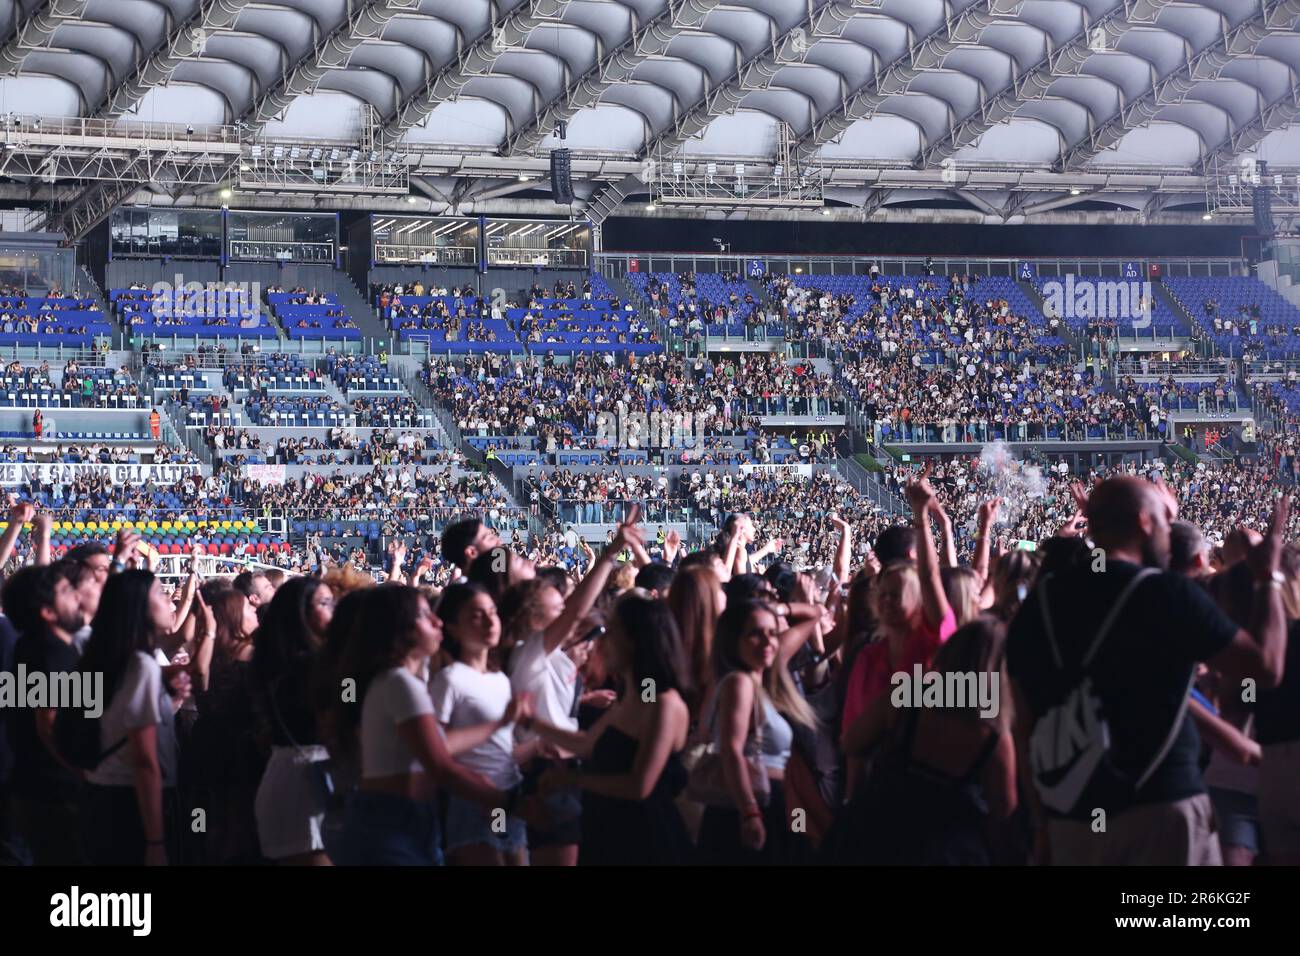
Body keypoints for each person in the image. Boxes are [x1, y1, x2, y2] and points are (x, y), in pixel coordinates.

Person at [1007, 477, 1290, 866]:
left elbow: (1024, 723)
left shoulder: (1038, 604)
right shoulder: (1164, 594)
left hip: (1073, 817)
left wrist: (1042, 822)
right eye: (1162, 523)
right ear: (1144, 523)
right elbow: (1265, 669)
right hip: (1163, 809)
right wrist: (1267, 579)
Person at [333, 586, 516, 865]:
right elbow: (441, 766)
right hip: (391, 821)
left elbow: (438, 747)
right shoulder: (400, 683)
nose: (438, 621)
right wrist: (507, 802)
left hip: (402, 817)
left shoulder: (403, 680)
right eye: (425, 615)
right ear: (400, 627)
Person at [830, 616, 1017, 864]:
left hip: (878, 832)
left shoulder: (907, 697)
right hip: (944, 851)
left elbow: (850, 742)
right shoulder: (993, 736)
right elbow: (1003, 814)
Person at [525, 591, 694, 865]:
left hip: (643, 838)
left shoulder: (664, 704)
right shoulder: (633, 697)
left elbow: (640, 785)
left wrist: (571, 780)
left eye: (611, 632)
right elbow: (586, 743)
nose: (602, 644)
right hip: (607, 829)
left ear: (633, 641)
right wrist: (531, 722)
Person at [77, 570, 189, 865]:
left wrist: (171, 704)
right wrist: (155, 841)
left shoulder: (115, 657)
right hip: (133, 804)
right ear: (138, 607)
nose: (169, 601)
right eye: (160, 594)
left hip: (105, 799)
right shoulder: (141, 665)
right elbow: (143, 760)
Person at [696, 598, 818, 865]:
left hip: (767, 803)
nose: (768, 642)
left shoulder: (757, 679)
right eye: (754, 634)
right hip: (751, 803)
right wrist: (749, 813)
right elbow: (731, 750)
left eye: (773, 633)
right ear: (733, 640)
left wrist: (780, 609)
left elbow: (813, 615)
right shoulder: (739, 682)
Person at [432, 582, 528, 865]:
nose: (490, 622)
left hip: (509, 793)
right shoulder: (449, 679)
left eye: (493, 612)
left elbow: (505, 747)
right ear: (453, 627)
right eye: (476, 616)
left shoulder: (500, 679)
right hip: (472, 799)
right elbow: (435, 746)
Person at [3, 563, 85, 864]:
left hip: (35, 791)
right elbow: (47, 724)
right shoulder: (53, 655)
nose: (76, 596)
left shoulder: (28, 647)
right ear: (47, 612)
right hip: (56, 796)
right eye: (66, 591)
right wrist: (85, 773)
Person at [252, 577, 336, 865]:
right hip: (307, 785)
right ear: (300, 613)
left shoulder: (281, 661)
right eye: (325, 604)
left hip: (291, 777)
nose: (333, 610)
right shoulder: (310, 666)